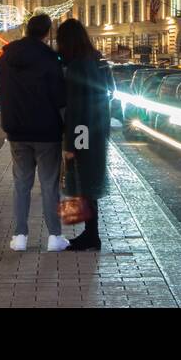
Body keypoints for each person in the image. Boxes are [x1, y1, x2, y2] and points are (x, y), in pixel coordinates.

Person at [0, 13, 69, 252]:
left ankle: (20, 236)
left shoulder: (6, 58)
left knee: (21, 184)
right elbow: (60, 97)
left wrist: (13, 109)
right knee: (49, 185)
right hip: (47, 132)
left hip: (17, 131)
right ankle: (54, 236)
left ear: (26, 30)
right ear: (47, 32)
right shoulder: (50, 59)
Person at [55, 18, 112, 251]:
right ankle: (90, 233)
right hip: (98, 129)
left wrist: (72, 145)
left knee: (82, 180)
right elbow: (110, 91)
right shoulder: (98, 60)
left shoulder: (77, 66)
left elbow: (77, 107)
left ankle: (91, 235)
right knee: (89, 181)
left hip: (83, 131)